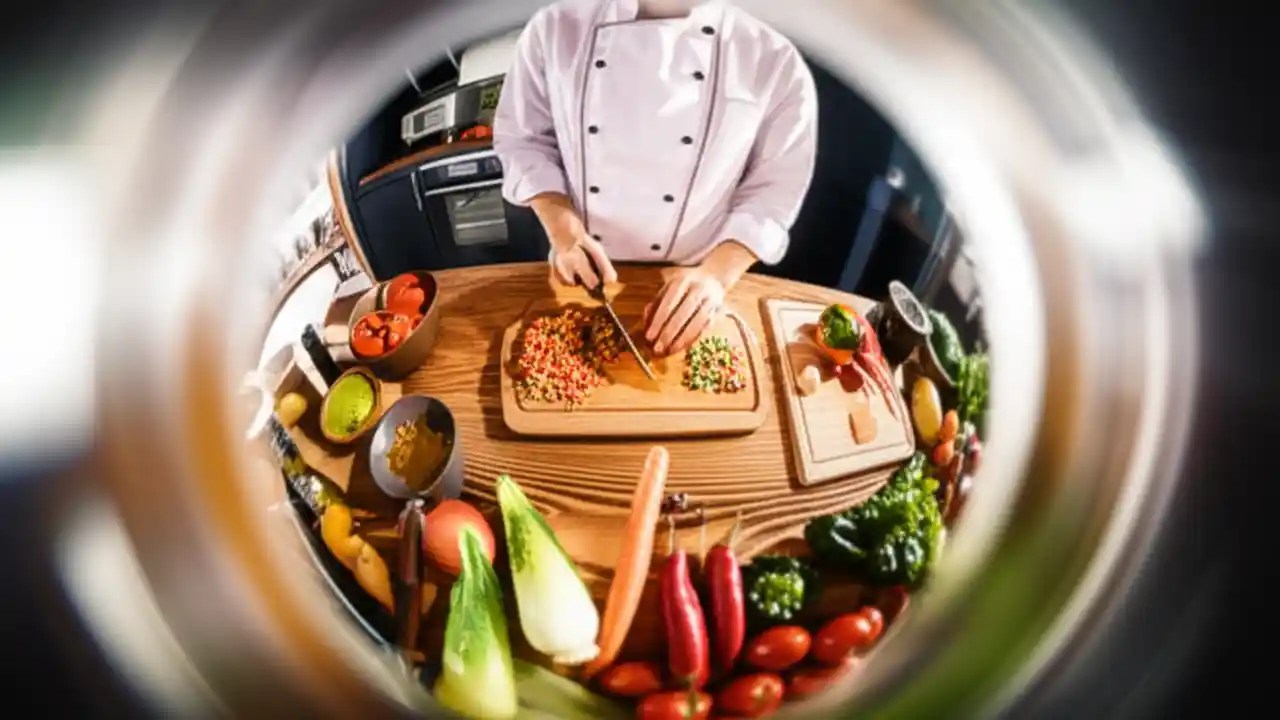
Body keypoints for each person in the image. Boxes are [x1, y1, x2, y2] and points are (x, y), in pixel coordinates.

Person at [494, 0, 818, 355]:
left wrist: (715, 276)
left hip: (699, 278)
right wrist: (565, 232)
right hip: (579, 269)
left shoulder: (774, 58)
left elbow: (775, 191)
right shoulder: (555, 26)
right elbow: (524, 141)